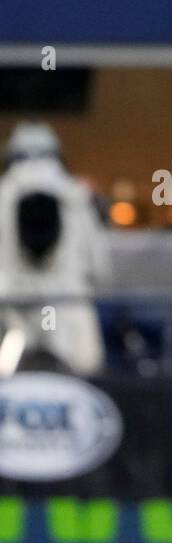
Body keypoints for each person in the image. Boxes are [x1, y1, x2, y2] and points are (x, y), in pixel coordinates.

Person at [0, 123, 109, 375]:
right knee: (67, 375)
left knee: (8, 382)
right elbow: (99, 268)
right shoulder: (76, 195)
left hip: (13, 308)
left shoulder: (3, 194)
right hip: (58, 305)